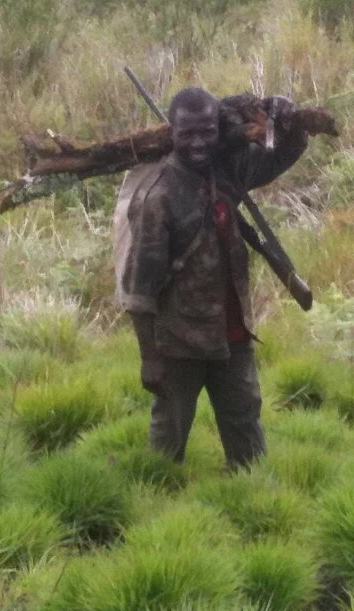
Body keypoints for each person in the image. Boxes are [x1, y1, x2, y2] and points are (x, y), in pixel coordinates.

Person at [113, 87, 307, 469]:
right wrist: (150, 359)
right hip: (179, 341)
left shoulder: (228, 170)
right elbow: (139, 291)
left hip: (232, 336)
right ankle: (155, 511)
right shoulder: (158, 196)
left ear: (219, 130)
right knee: (167, 444)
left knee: (246, 429)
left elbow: (280, 156)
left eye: (207, 131)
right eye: (188, 133)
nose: (199, 143)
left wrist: (296, 123)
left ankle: (254, 507)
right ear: (172, 132)